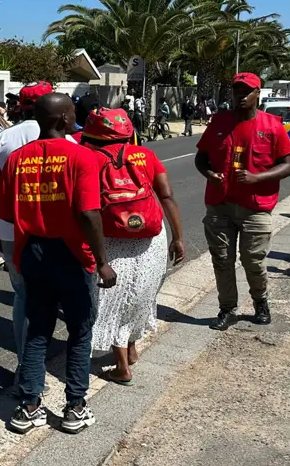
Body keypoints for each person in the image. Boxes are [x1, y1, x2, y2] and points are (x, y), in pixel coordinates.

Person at [0, 93, 116, 435]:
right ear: (64, 118)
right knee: (80, 330)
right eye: (73, 112)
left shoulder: (17, 159)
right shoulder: (82, 156)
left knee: (37, 331)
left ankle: (29, 405)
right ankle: (75, 406)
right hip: (73, 255)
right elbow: (89, 213)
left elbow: (3, 211)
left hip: (31, 252)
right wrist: (102, 261)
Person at [80, 108, 186, 384]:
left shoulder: (88, 158)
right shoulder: (146, 155)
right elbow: (167, 195)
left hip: (110, 240)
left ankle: (122, 366)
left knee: (112, 301)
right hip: (152, 238)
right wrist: (178, 236)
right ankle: (132, 349)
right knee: (140, 295)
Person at [195, 72, 290, 331]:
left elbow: (288, 166)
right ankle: (227, 309)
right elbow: (201, 158)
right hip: (220, 205)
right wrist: (209, 174)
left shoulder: (272, 126)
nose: (240, 96)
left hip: (256, 207)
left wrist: (256, 178)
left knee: (253, 260)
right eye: (236, 91)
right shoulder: (219, 122)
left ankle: (260, 302)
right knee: (222, 260)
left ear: (257, 94)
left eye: (246, 91)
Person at [0, 81, 55, 370]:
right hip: (56, 230)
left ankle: (28, 366)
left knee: (24, 295)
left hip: (10, 229)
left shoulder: (3, 139)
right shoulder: (67, 138)